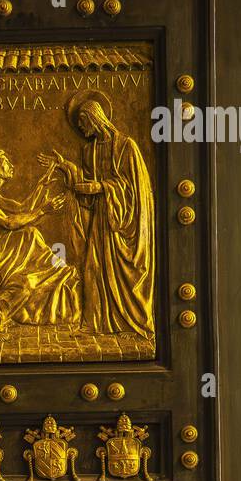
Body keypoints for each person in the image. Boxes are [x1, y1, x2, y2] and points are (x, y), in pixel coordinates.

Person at [39, 91, 155, 338]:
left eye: (83, 121)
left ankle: (128, 322)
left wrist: (103, 187)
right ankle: (96, 322)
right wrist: (66, 167)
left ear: (94, 118)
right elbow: (84, 187)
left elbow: (137, 190)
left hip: (121, 221)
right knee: (93, 268)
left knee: (115, 271)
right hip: (100, 220)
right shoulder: (89, 151)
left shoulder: (126, 146)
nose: (80, 127)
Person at [0, 148, 80, 332]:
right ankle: (52, 270)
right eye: (6, 163)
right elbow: (9, 222)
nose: (11, 166)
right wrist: (43, 210)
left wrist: (42, 185)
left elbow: (21, 208)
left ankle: (53, 270)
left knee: (30, 234)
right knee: (30, 234)